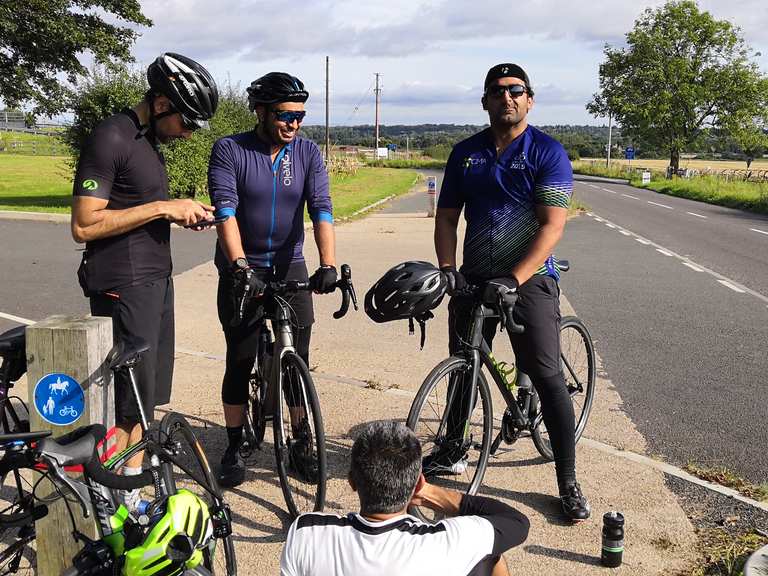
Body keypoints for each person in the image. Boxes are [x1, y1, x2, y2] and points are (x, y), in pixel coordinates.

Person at [433, 63, 590, 521]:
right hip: (474, 276)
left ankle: (568, 481)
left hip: (529, 279)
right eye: (498, 91)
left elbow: (552, 224)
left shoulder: (547, 152)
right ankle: (452, 448)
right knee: (464, 365)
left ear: (529, 99)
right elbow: (446, 218)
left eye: (516, 90)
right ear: (485, 100)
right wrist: (448, 270)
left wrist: (515, 277)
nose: (508, 98)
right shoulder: (465, 153)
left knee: (546, 374)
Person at [71, 52, 219, 510]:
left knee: (144, 397)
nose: (189, 132)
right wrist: (162, 208)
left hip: (154, 280)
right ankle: (107, 498)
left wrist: (181, 214)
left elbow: (135, 212)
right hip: (123, 285)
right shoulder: (110, 136)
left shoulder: (147, 142)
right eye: (187, 120)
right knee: (124, 401)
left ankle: (131, 488)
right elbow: (84, 225)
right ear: (160, 104)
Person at [208, 72, 336, 488]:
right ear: (260, 111)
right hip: (241, 264)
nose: (293, 123)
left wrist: (329, 264)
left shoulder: (308, 153)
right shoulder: (230, 149)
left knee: (296, 358)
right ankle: (233, 445)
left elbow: (321, 209)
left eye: (300, 115)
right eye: (285, 114)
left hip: (289, 263)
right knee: (241, 358)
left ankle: (300, 441)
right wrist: (241, 267)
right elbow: (225, 213)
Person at [280, 420, 529, 576]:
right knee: (491, 556)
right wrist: (429, 492)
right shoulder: (450, 543)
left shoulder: (306, 533)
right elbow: (516, 522)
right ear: (417, 483)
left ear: (352, 482)